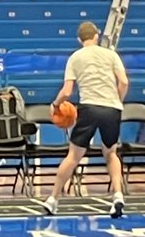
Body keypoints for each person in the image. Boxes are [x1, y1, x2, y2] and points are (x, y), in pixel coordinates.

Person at [41, 21, 129, 219]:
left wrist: (55, 105)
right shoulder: (111, 54)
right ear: (97, 36)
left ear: (79, 39)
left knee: (73, 156)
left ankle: (53, 199)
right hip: (112, 109)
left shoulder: (75, 57)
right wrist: (116, 100)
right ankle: (117, 195)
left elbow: (67, 91)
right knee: (111, 153)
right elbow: (123, 82)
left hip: (89, 107)